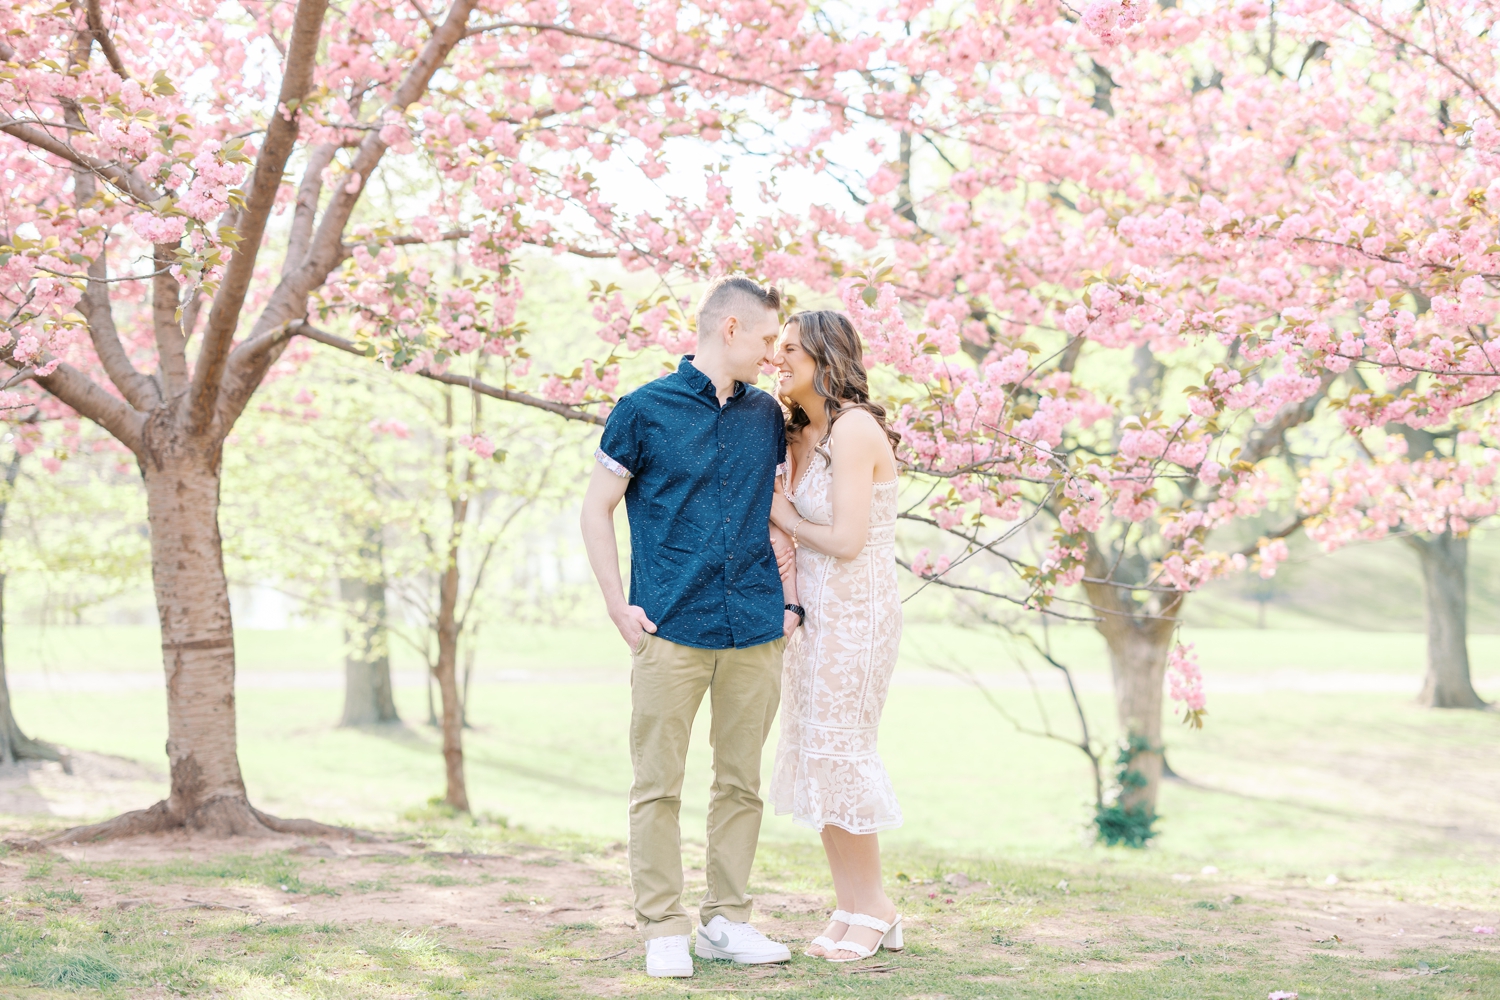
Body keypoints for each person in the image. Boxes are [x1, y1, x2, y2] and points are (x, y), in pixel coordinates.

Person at [580, 277, 801, 979]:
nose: (773, 352)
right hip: (669, 627)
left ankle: (727, 921)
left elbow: (775, 514)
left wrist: (789, 605)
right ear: (729, 328)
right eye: (768, 338)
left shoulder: (767, 415)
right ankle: (663, 927)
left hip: (756, 629)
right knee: (658, 786)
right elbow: (596, 509)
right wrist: (619, 604)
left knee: (741, 785)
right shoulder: (642, 410)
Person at [768, 309, 905, 963]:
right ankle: (852, 903)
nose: (778, 358)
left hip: (858, 616)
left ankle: (874, 901)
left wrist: (784, 516)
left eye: (791, 348)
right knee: (816, 754)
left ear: (825, 356)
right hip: (813, 620)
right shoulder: (799, 433)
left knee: (842, 751)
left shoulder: (854, 430)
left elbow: (848, 542)